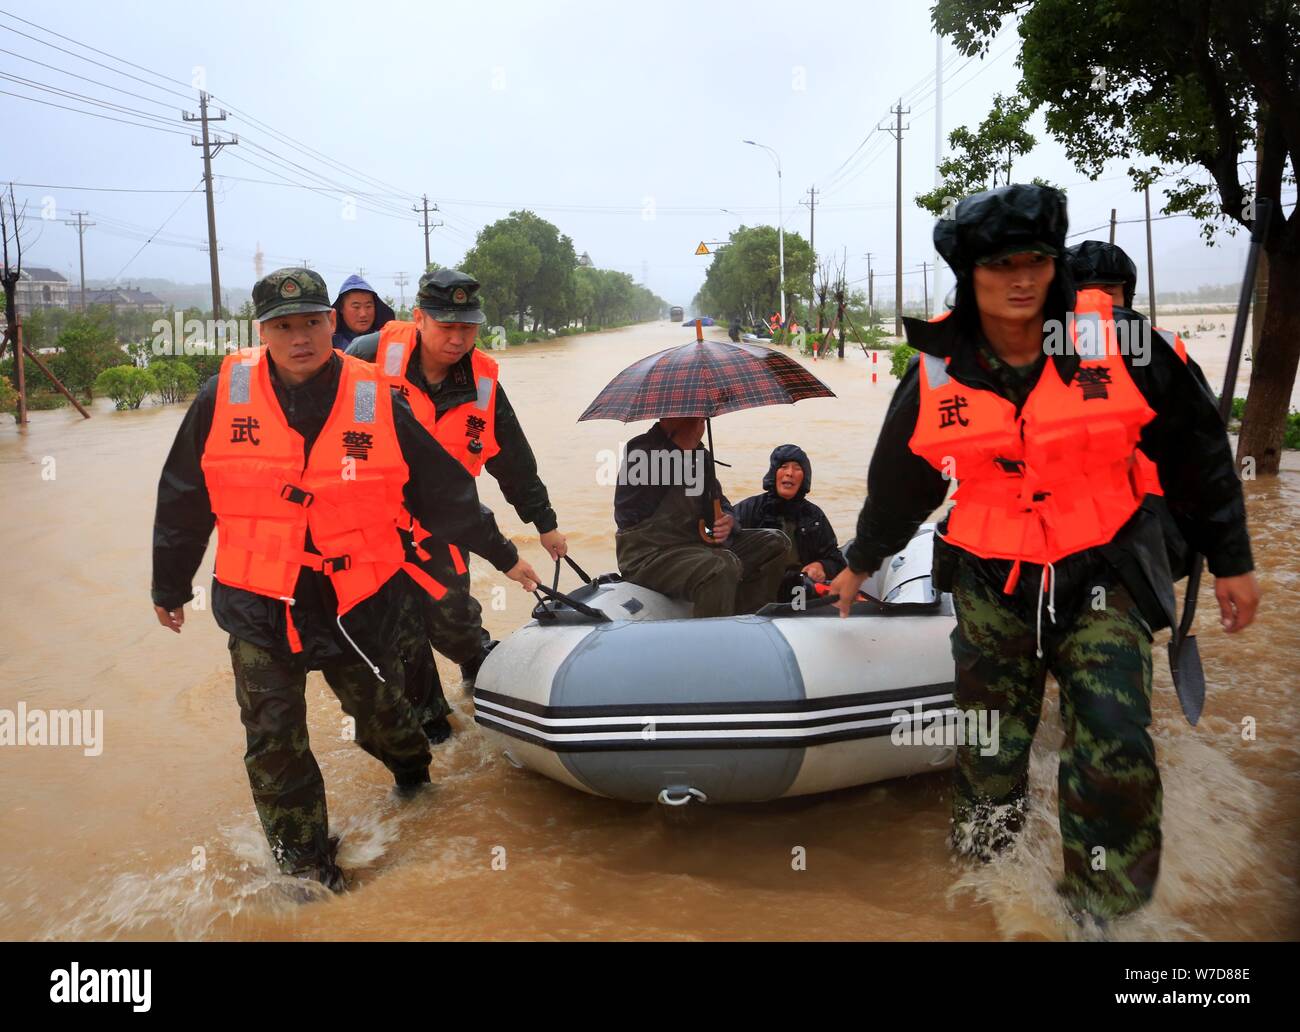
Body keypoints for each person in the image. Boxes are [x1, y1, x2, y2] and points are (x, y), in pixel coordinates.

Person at [826, 185, 1259, 925]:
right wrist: (861, 560)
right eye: (1000, 266)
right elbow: (902, 479)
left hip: (1104, 570)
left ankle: (1105, 915)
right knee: (989, 748)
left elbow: (1197, 453)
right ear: (970, 276)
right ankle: (985, 893)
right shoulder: (936, 364)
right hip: (994, 580)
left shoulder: (1118, 341)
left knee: (1114, 738)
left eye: (1035, 261)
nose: (1021, 279)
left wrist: (1232, 560)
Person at [151, 267, 540, 893]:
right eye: (284, 326)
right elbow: (183, 494)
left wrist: (503, 553)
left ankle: (414, 775)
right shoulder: (223, 394)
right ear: (263, 332)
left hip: (354, 602)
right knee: (274, 739)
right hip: (259, 600)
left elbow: (443, 492)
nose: (300, 337)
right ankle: (306, 870)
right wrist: (169, 585)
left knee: (386, 720)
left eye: (311, 322)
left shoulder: (374, 398)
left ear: (332, 324)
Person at [348, 269, 565, 741]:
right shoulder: (368, 360)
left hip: (445, 520)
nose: (458, 338)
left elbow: (512, 458)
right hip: (373, 525)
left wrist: (544, 522)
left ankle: (476, 661)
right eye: (447, 326)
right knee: (398, 630)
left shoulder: (483, 382)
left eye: (468, 327)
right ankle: (430, 725)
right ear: (418, 317)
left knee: (450, 619)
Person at [1065, 239, 1211, 577]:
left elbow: (1204, 442)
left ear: (1126, 297)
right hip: (1068, 514)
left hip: (1150, 517)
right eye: (1083, 293)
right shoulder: (1038, 355)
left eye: (1108, 293)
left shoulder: (1164, 351)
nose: (1097, 305)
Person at [614, 416, 789, 617]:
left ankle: (746, 620)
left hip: (693, 547)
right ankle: (711, 642)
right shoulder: (640, 451)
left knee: (775, 542)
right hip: (648, 556)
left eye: (702, 422)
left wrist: (727, 521)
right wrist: (676, 454)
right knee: (719, 566)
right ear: (673, 419)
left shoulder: (700, 456)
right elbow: (627, 514)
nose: (700, 429)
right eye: (695, 422)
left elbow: (720, 504)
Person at [734, 444, 845, 602]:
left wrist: (821, 566)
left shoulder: (815, 515)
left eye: (797, 468)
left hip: (798, 592)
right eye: (783, 467)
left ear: (804, 477)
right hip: (757, 592)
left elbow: (836, 560)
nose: (790, 473)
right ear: (774, 473)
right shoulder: (748, 509)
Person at [331, 273, 395, 351]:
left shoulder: (389, 341)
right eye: (356, 307)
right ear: (341, 308)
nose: (363, 314)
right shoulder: (329, 345)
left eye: (368, 306)